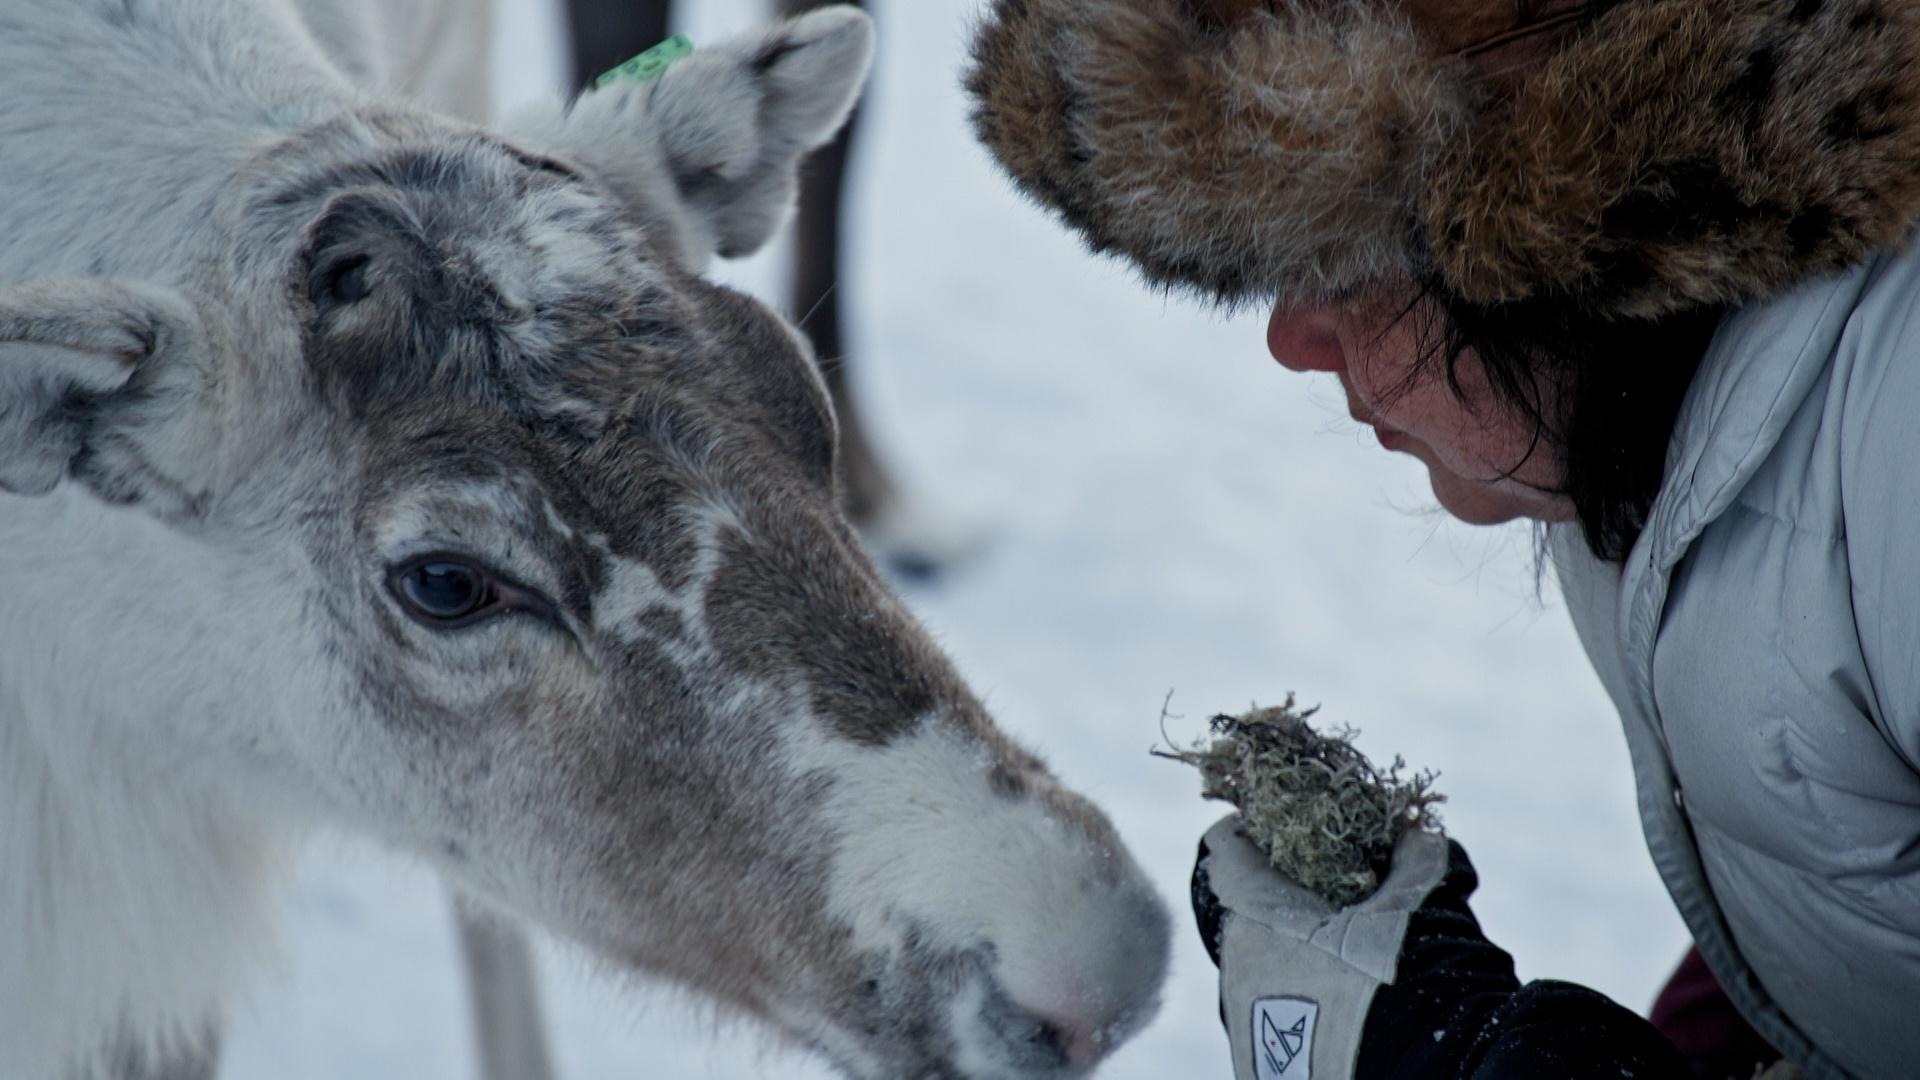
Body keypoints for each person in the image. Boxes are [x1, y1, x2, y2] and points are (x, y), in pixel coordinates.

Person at [966, 0, 1920, 1077]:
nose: (1291, 338)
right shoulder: (1636, 415)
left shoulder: (1896, 439)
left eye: (1344, 256)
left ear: (1566, 218)